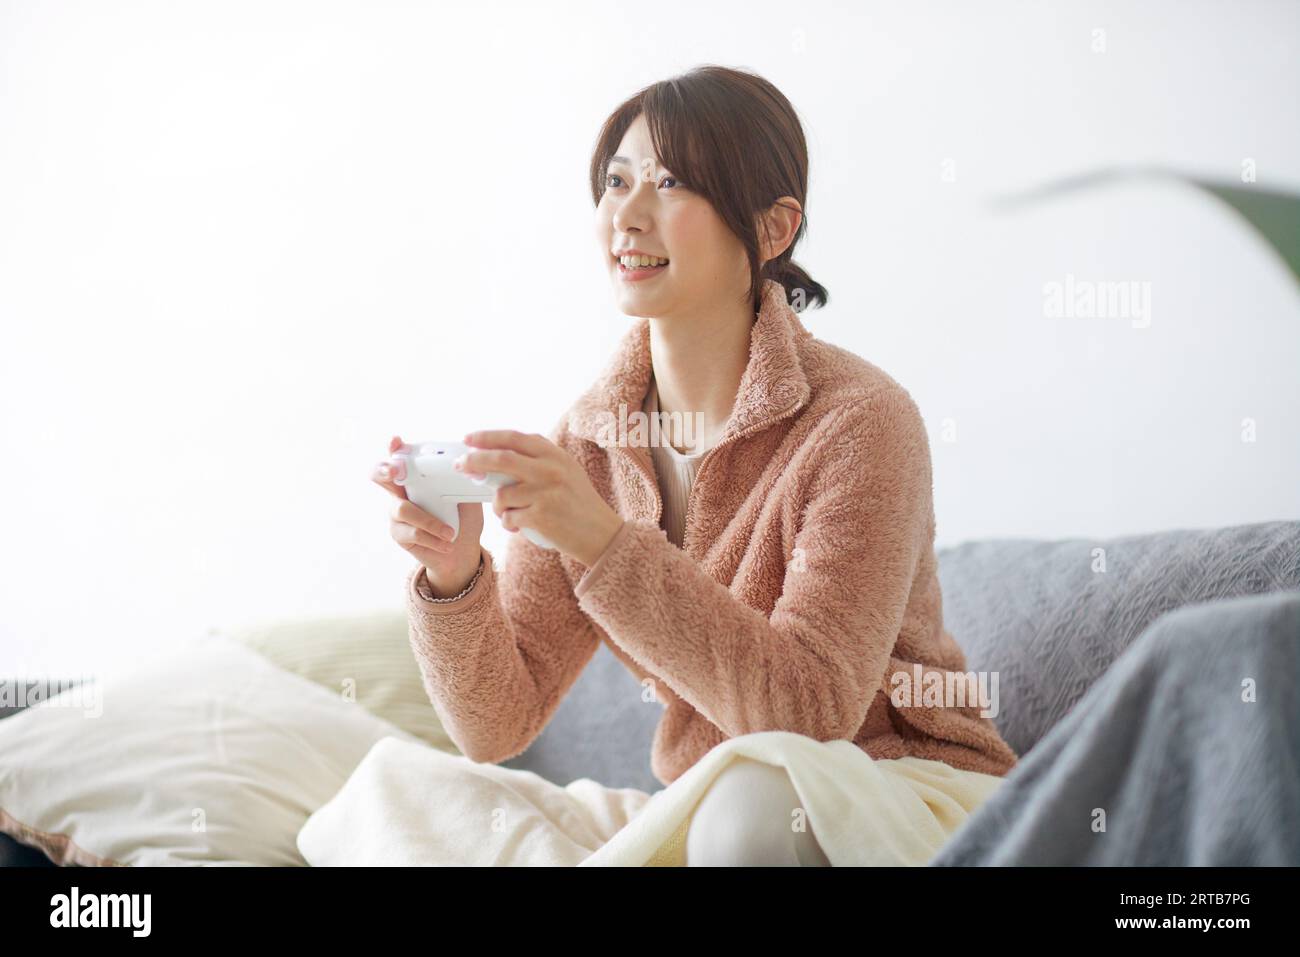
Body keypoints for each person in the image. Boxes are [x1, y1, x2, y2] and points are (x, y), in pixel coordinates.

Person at [372, 65, 1018, 866]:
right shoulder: (589, 440)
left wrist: (607, 546)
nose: (627, 216)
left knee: (752, 811)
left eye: (671, 182)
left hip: (900, 793)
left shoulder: (861, 422)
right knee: (390, 791)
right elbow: (497, 724)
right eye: (617, 181)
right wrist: (456, 576)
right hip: (709, 794)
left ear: (773, 229)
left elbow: (810, 714)